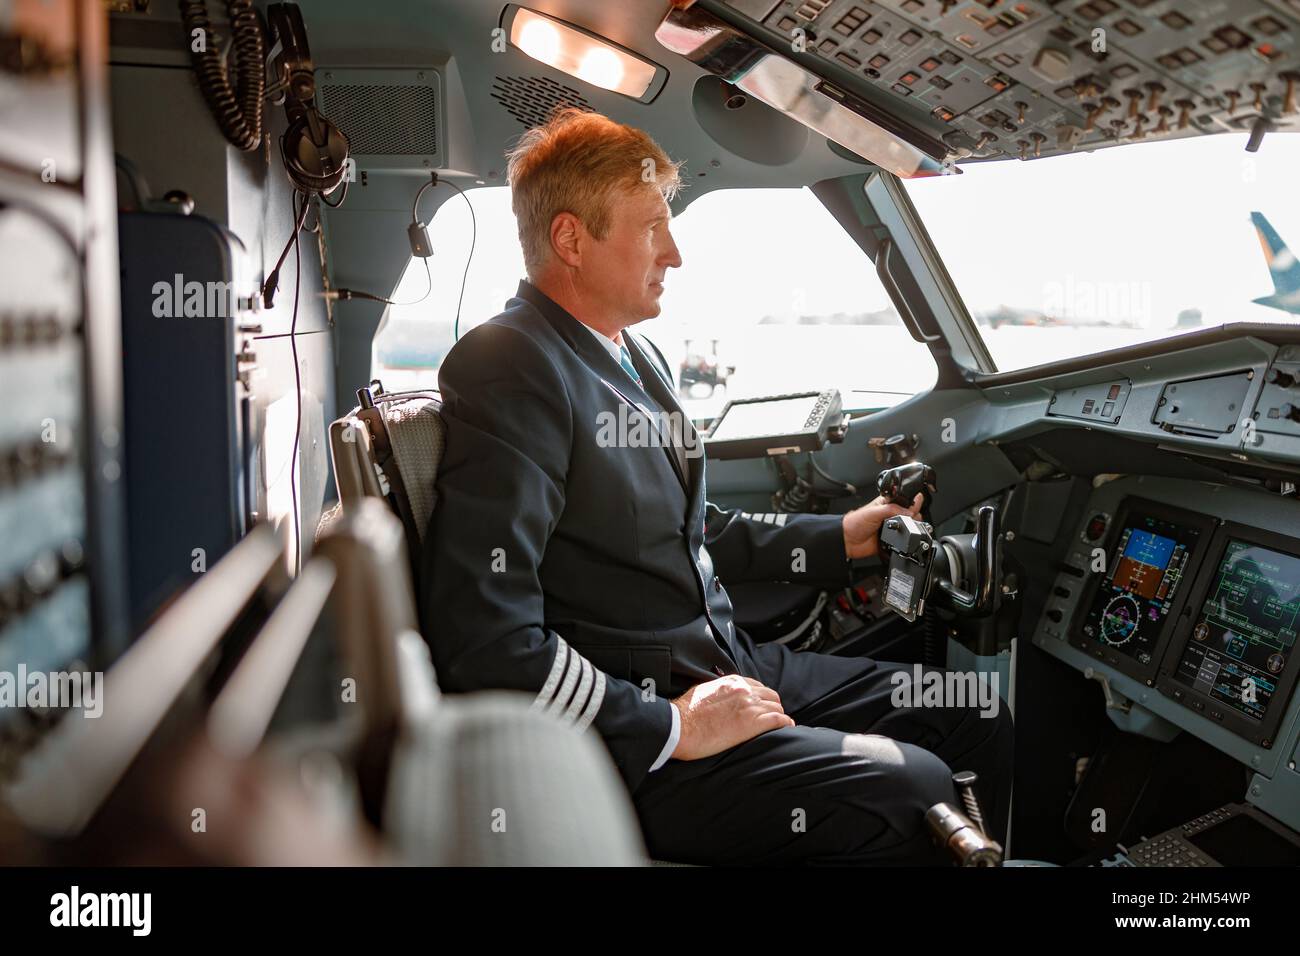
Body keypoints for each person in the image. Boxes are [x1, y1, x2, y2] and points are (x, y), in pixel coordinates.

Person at [422, 109, 1012, 865]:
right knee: (917, 784)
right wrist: (673, 724)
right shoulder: (511, 363)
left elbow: (690, 532)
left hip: (727, 661)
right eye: (651, 227)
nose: (674, 253)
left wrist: (842, 536)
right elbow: (485, 639)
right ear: (571, 239)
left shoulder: (633, 355)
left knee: (969, 709)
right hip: (634, 734)